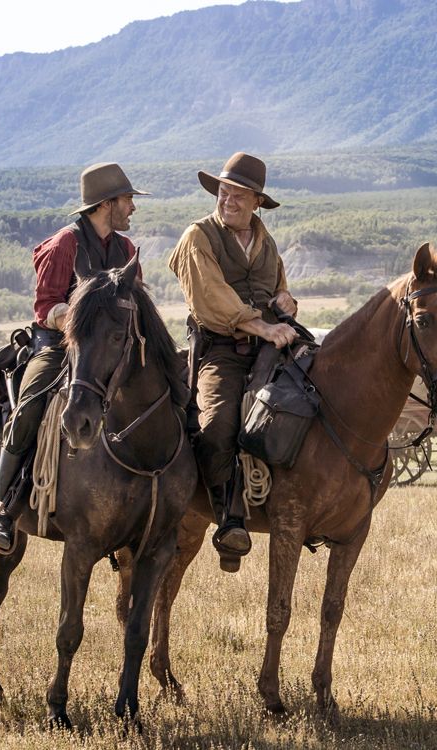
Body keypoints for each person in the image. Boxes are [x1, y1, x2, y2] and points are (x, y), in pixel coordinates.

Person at [0, 163, 148, 553]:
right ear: (107, 204)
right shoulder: (64, 245)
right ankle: (1, 509)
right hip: (56, 345)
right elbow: (45, 307)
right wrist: (82, 322)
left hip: (110, 346)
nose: (132, 208)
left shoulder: (125, 250)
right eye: (128, 200)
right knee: (31, 405)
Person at [169, 152, 298, 569]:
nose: (228, 201)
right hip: (221, 349)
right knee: (216, 423)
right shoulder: (198, 237)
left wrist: (285, 302)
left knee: (311, 399)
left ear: (257, 201)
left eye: (239, 195)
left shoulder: (266, 240)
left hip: (268, 343)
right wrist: (260, 326)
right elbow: (210, 298)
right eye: (224, 192)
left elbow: (278, 288)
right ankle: (229, 519)